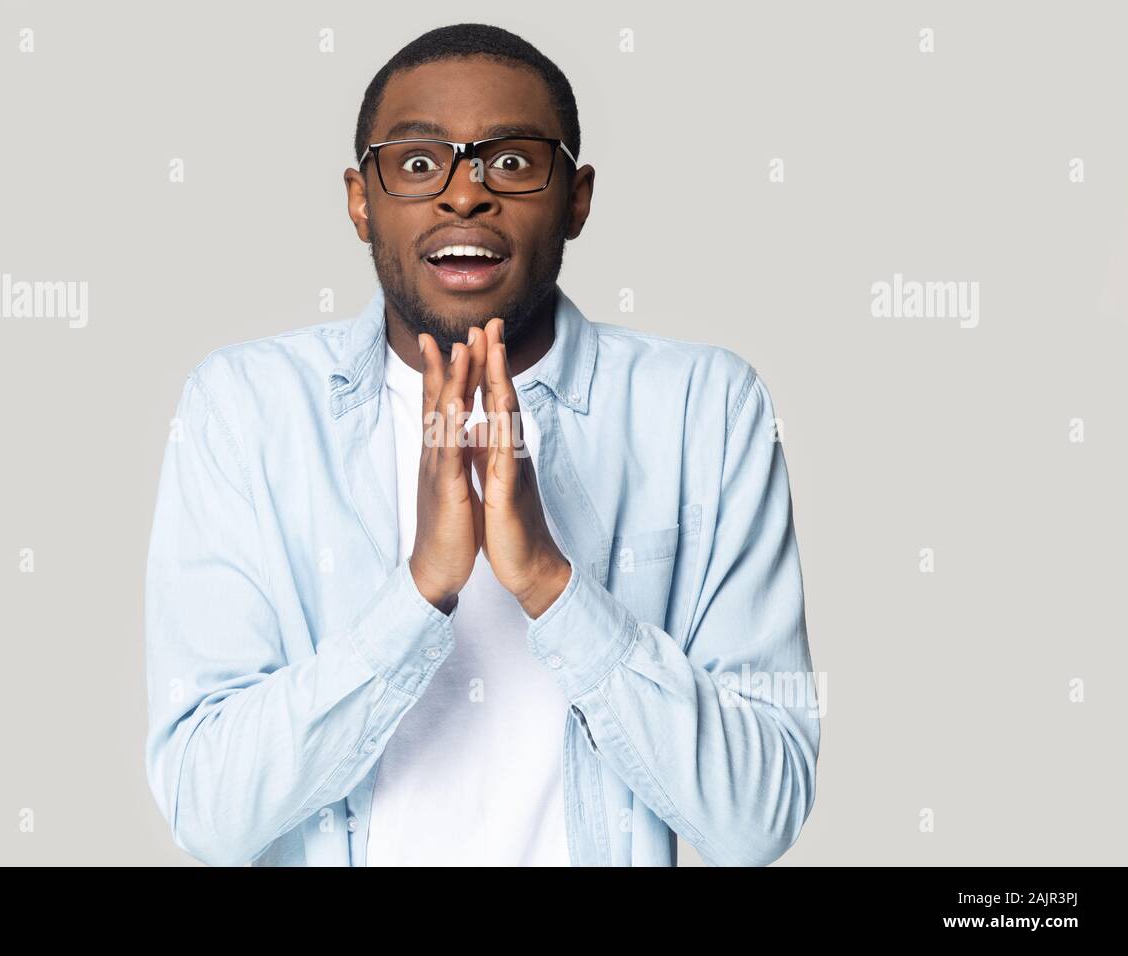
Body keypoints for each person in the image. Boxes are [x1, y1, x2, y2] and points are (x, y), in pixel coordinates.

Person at [144, 22, 820, 867]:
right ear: (361, 201)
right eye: (420, 163)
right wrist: (421, 590)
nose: (465, 196)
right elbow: (209, 812)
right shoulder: (245, 409)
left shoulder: (704, 409)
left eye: (510, 161)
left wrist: (551, 582)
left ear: (577, 197)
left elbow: (759, 819)